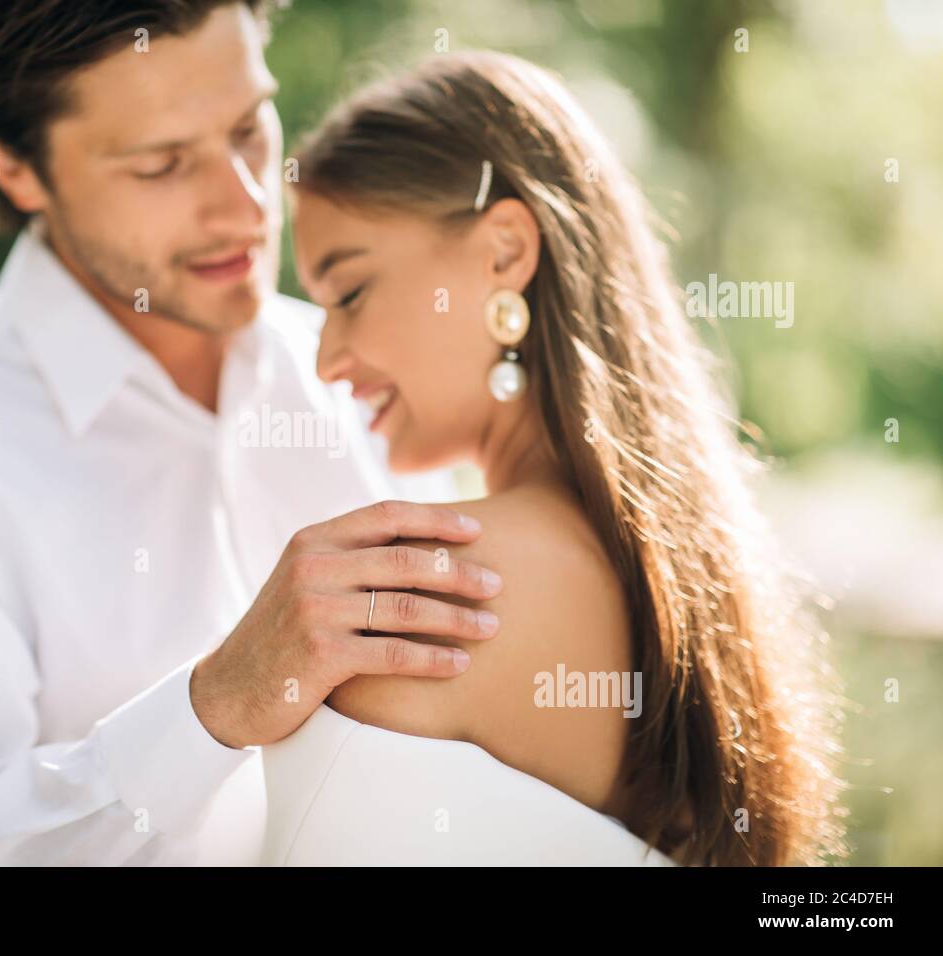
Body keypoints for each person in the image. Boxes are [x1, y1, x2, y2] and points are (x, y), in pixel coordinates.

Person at [0, 0, 500, 866]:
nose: (241, 203)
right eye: (162, 165)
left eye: (248, 126)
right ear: (11, 167)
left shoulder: (372, 376)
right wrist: (211, 710)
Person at [265, 50, 848, 866]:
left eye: (350, 292)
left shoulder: (428, 604)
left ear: (504, 253)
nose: (326, 358)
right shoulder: (689, 590)